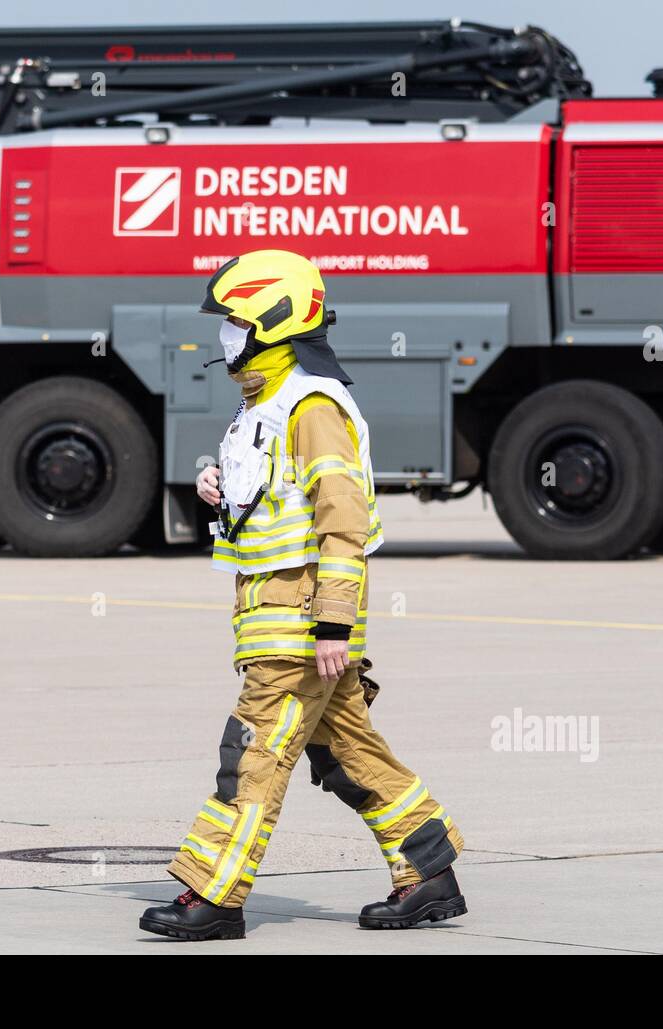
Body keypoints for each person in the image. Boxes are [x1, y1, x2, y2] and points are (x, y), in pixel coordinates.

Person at [140, 249, 466, 941]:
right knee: (347, 753)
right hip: (273, 617)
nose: (223, 333)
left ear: (270, 318)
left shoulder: (313, 404)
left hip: (301, 624)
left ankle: (214, 896)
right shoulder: (266, 400)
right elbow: (274, 501)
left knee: (253, 753)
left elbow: (343, 518)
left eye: (232, 318)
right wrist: (219, 490)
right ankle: (429, 872)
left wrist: (333, 627)